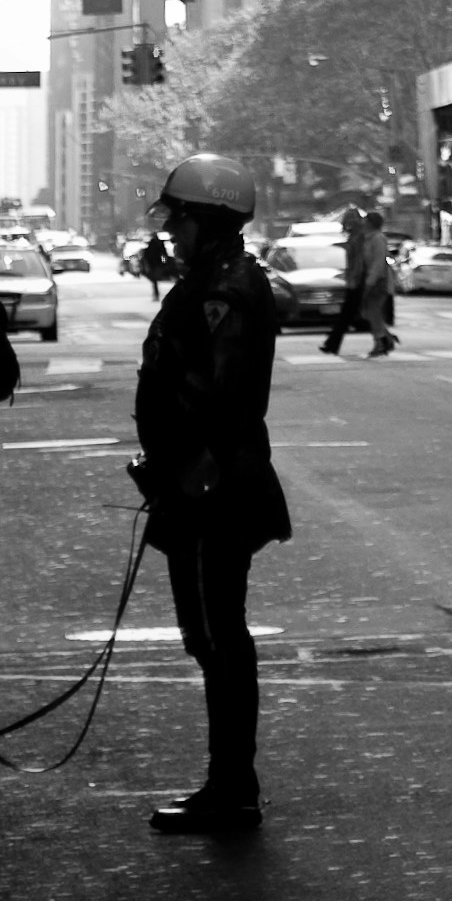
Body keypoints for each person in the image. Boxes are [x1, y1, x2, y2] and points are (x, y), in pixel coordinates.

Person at [130, 151, 289, 839]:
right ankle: (228, 781)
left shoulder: (224, 289)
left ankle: (232, 786)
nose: (171, 232)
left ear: (210, 220)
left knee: (220, 635)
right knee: (210, 634)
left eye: (182, 219)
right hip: (197, 475)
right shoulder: (208, 278)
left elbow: (216, 392)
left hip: (213, 481)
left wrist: (175, 454)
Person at [321, 192, 396, 361]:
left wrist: (368, 282)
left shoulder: (377, 239)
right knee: (370, 313)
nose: (361, 223)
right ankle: (385, 339)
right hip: (368, 281)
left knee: (372, 312)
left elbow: (376, 264)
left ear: (370, 223)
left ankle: (382, 341)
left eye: (364, 221)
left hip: (378, 282)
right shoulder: (365, 238)